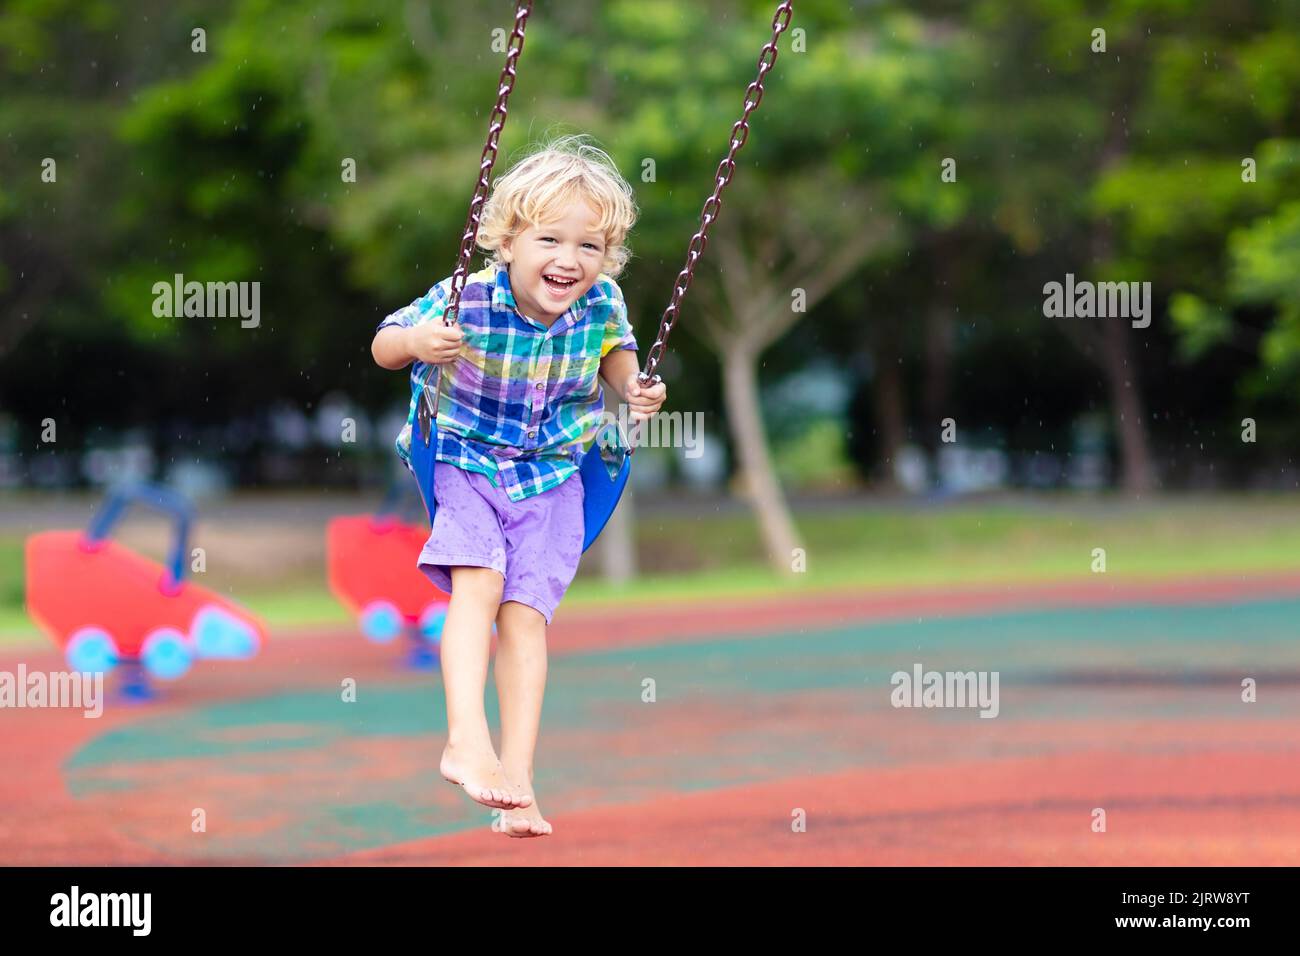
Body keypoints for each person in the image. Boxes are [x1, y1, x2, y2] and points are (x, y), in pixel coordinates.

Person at [371, 135, 667, 837]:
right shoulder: (466, 297)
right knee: (478, 584)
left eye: (590, 247)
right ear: (507, 240)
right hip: (467, 462)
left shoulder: (602, 304)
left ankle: (518, 780)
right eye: (550, 239)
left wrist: (634, 387)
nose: (569, 260)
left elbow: (616, 354)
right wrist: (418, 345)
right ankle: (464, 739)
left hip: (555, 474)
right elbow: (385, 342)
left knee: (526, 618)